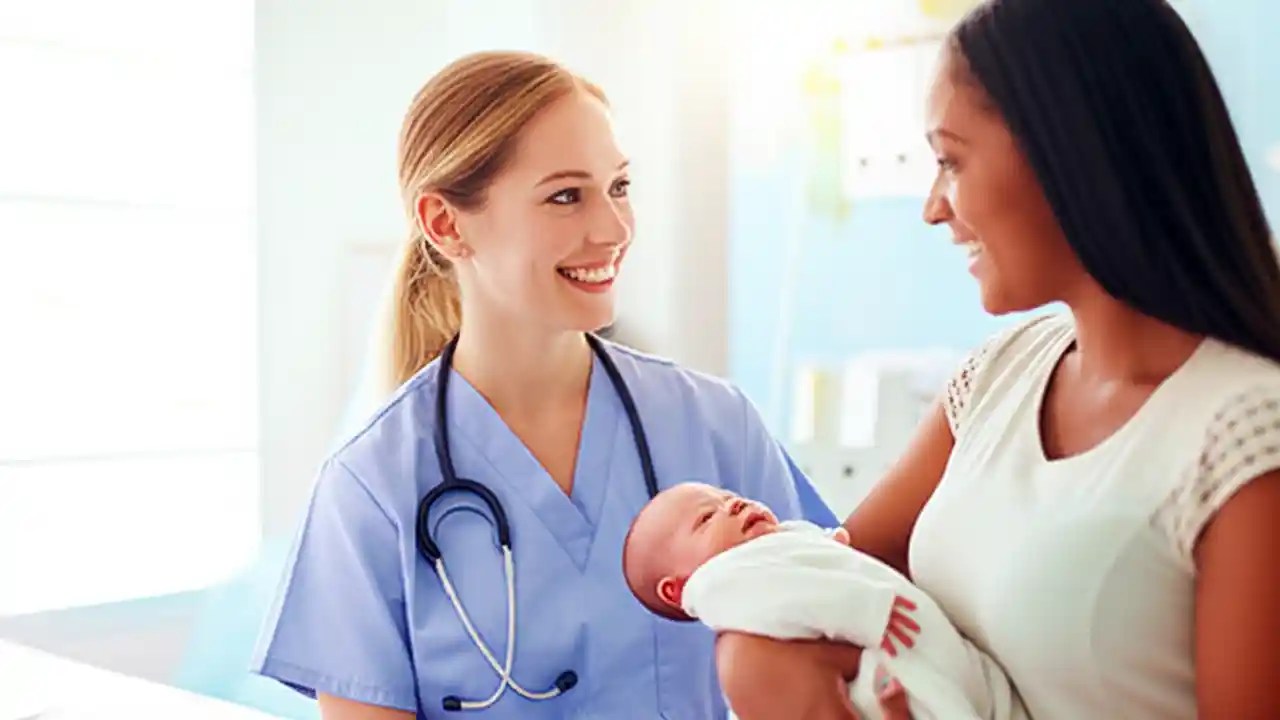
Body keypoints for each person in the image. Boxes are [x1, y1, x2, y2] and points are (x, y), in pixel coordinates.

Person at [718, 1, 1280, 718]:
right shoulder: (998, 378)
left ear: (1071, 150)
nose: (932, 207)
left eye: (951, 160)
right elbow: (822, 580)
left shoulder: (1244, 433)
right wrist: (750, 655)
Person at [249, 50, 843, 719]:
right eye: (566, 196)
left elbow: (835, 638)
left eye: (619, 187)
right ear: (446, 224)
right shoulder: (371, 486)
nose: (613, 229)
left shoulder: (713, 424)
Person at [623, 482, 1027, 720]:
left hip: (925, 643)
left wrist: (831, 545)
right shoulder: (719, 582)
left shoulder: (770, 549)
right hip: (882, 645)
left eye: (729, 496)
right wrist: (864, 609)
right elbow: (787, 602)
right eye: (706, 518)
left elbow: (812, 560)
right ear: (677, 589)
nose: (733, 505)